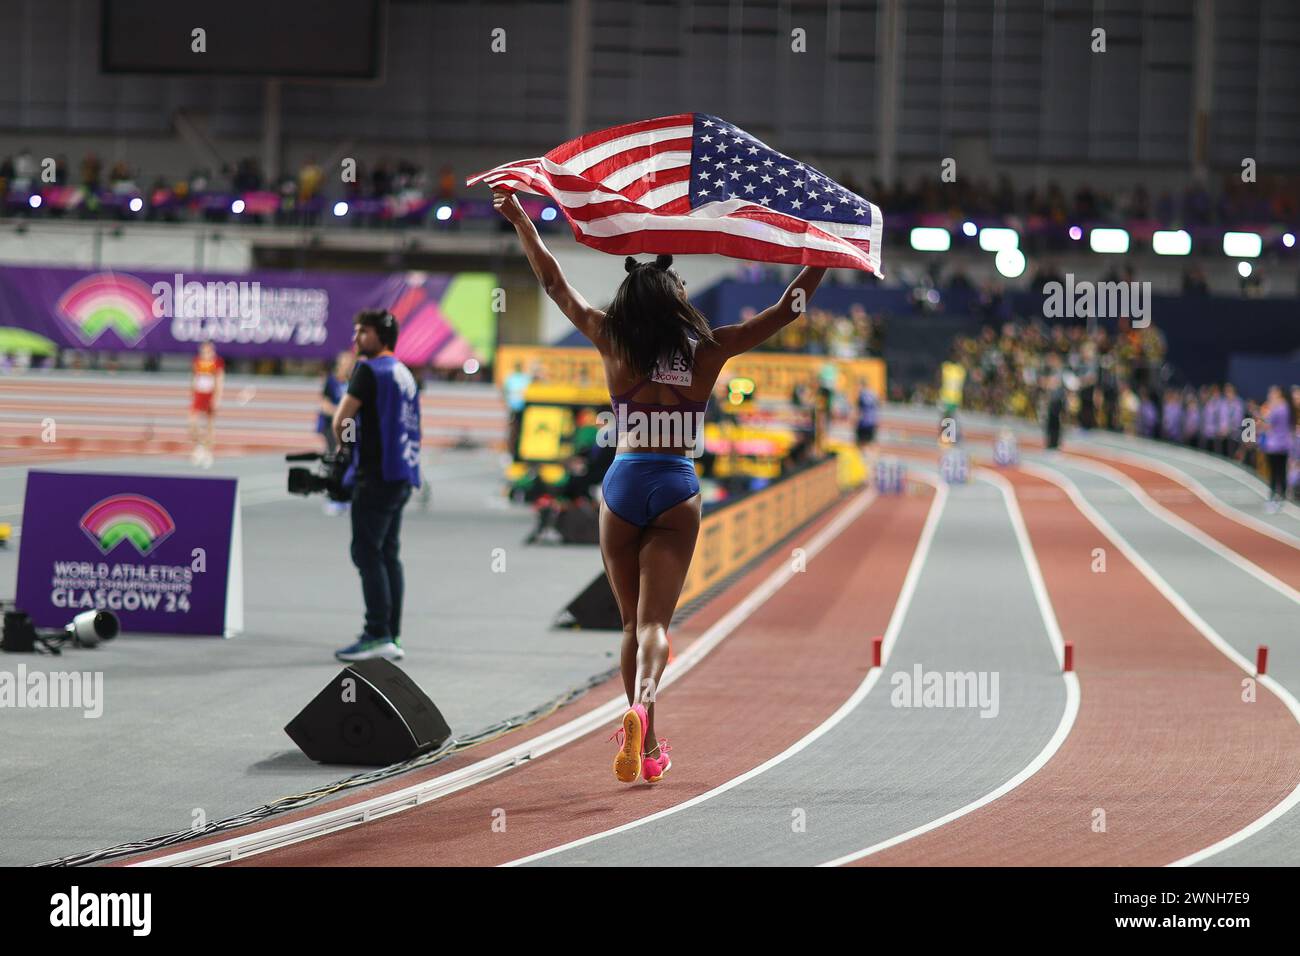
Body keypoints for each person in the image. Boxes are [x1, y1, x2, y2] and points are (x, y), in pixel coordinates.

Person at [494, 187, 827, 786]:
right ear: (675, 300)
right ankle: (642, 711)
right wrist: (826, 255)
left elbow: (553, 284)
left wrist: (521, 217)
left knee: (628, 625)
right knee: (655, 627)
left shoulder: (611, 339)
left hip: (622, 483)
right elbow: (786, 311)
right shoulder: (709, 348)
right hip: (675, 486)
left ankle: (642, 736)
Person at [332, 310, 422, 662]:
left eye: (363, 332)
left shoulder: (369, 370)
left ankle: (377, 633)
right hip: (402, 473)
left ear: (382, 336)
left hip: (376, 474)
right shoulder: (403, 372)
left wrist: (344, 449)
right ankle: (391, 634)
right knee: (387, 554)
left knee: (367, 552)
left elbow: (342, 421)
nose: (356, 339)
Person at [318, 351, 355, 516]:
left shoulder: (354, 382)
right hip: (332, 426)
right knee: (336, 459)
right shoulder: (331, 382)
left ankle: (347, 496)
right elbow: (324, 406)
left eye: (350, 362)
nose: (347, 365)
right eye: (345, 362)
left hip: (349, 426)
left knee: (351, 459)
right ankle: (333, 498)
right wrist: (340, 412)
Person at [189, 342, 224, 468]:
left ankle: (208, 453)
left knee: (210, 425)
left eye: (208, 351)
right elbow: (194, 377)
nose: (206, 353)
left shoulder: (217, 362)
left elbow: (219, 381)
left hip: (210, 395)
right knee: (192, 423)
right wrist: (192, 392)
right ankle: (199, 446)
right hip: (199, 394)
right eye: (203, 351)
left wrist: (217, 398)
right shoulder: (197, 361)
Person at [1259, 385, 1292, 512]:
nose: (1270, 394)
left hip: (1274, 445)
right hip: (1284, 444)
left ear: (1278, 394)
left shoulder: (1277, 408)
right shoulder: (1287, 407)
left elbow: (1267, 425)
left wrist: (1263, 416)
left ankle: (1273, 498)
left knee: (1273, 473)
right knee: (1282, 472)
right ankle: (1282, 496)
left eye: (1272, 393)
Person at [855, 380, 878, 449]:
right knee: (870, 442)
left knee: (860, 443)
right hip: (872, 421)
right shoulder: (873, 393)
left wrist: (857, 420)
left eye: (858, 385)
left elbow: (859, 410)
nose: (856, 388)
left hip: (864, 422)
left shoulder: (862, 395)